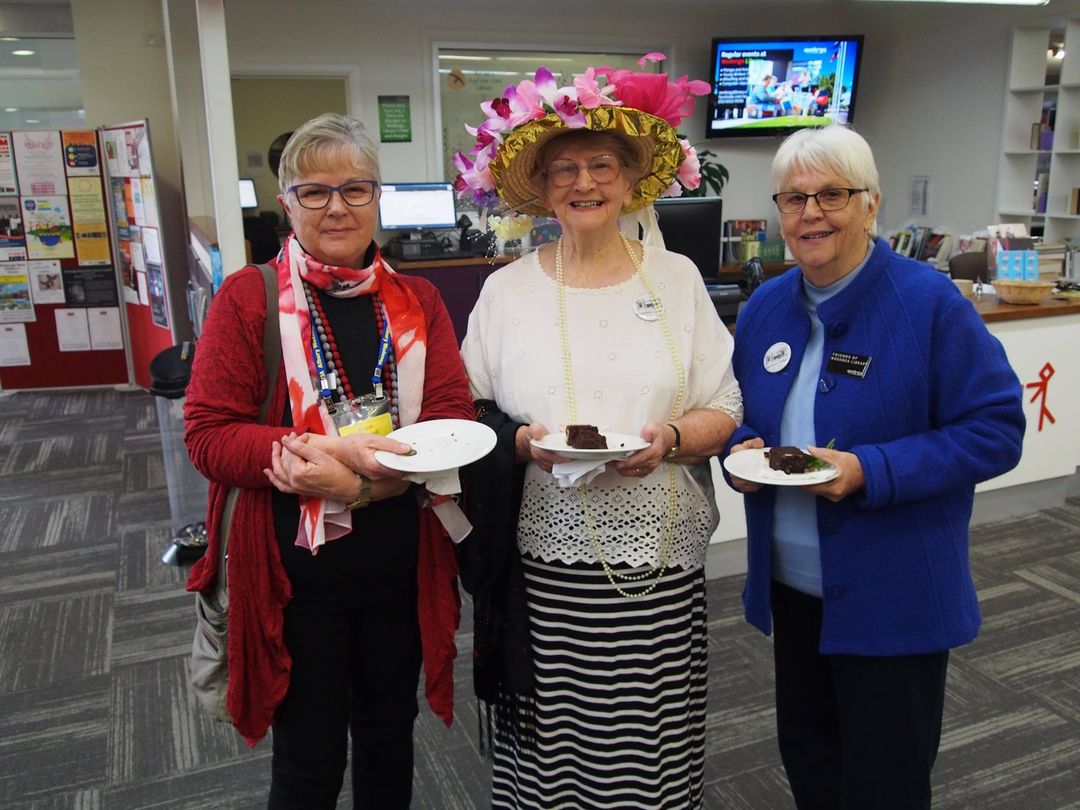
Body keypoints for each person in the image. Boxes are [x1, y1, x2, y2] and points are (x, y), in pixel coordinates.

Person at [454, 56, 743, 809]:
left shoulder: (676, 278)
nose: (584, 183)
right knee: (554, 741)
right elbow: (463, 417)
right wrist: (520, 445)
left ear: (627, 180)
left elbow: (726, 405)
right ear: (543, 189)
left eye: (601, 165)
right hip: (540, 567)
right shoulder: (504, 291)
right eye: (565, 170)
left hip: (656, 563)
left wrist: (674, 440)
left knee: (645, 740)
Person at [724, 124, 1025, 810]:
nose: (810, 214)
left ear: (871, 203)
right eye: (794, 199)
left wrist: (871, 470)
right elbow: (740, 410)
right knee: (810, 762)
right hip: (795, 592)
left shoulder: (929, 304)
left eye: (832, 194)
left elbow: (996, 430)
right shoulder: (767, 305)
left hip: (896, 595)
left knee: (884, 782)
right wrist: (738, 445)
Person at [184, 112, 473, 808]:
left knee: (386, 741)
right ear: (286, 204)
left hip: (396, 573)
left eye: (355, 189)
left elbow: (452, 423)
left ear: (378, 198)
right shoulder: (247, 298)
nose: (337, 206)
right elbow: (209, 433)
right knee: (308, 762)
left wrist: (359, 483)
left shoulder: (418, 300)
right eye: (315, 192)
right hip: (292, 583)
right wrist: (321, 451)